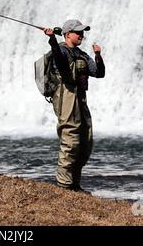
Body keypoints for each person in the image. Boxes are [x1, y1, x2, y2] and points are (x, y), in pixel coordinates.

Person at [43, 19, 105, 193]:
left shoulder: (82, 54)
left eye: (82, 32)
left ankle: (74, 185)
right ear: (67, 34)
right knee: (70, 139)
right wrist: (52, 40)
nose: (81, 36)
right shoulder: (61, 50)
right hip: (66, 97)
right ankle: (64, 186)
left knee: (85, 139)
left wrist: (98, 55)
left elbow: (99, 73)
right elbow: (61, 64)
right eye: (78, 32)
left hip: (80, 97)